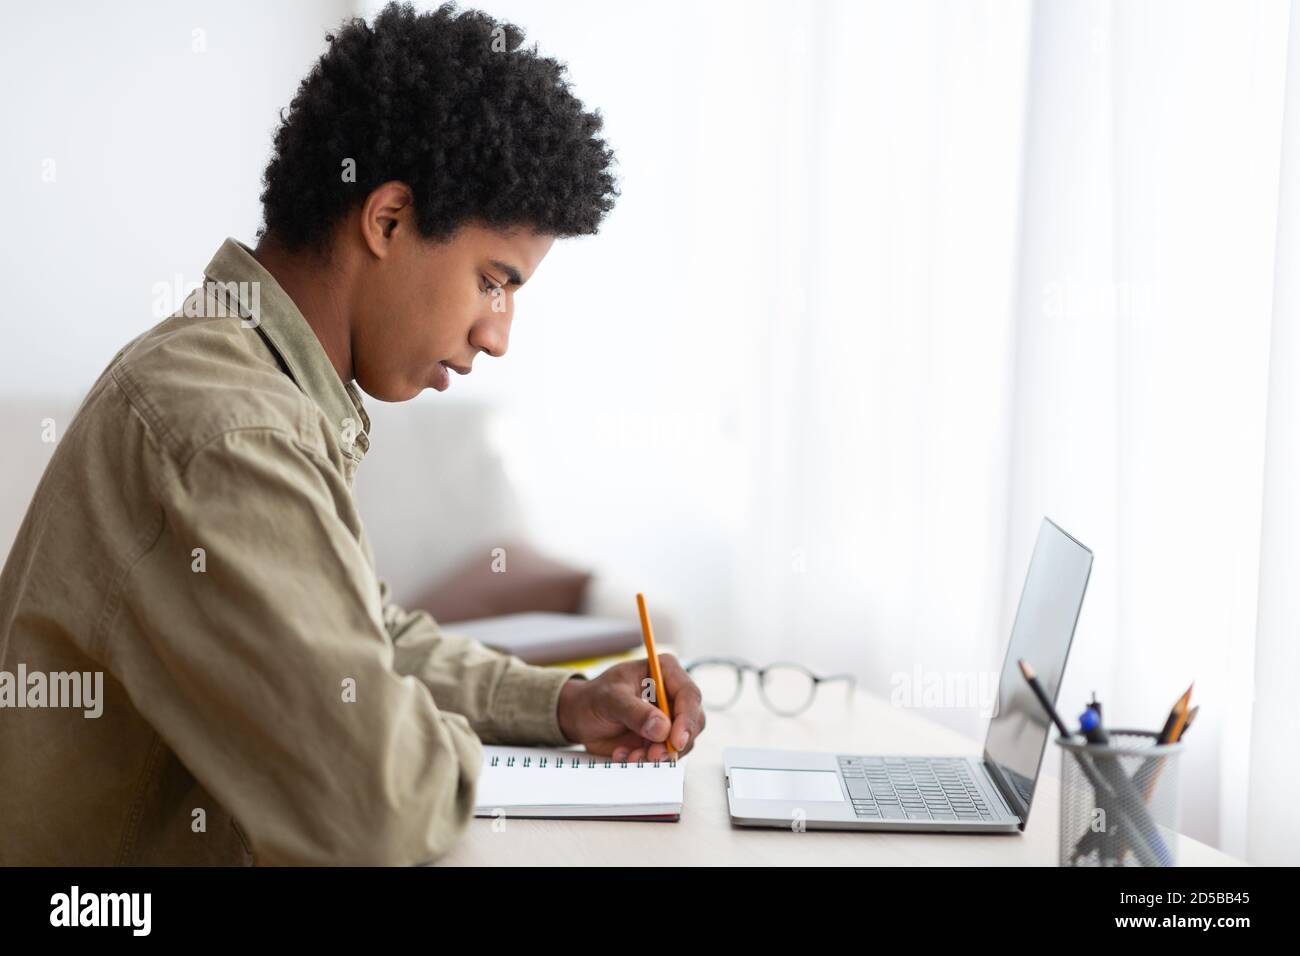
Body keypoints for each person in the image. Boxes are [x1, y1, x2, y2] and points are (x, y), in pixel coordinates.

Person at [0, 1, 704, 866]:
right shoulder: (231, 428)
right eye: (493, 280)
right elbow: (377, 808)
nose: (498, 333)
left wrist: (563, 706)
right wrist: (428, 742)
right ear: (389, 220)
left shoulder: (251, 382)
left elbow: (368, 640)